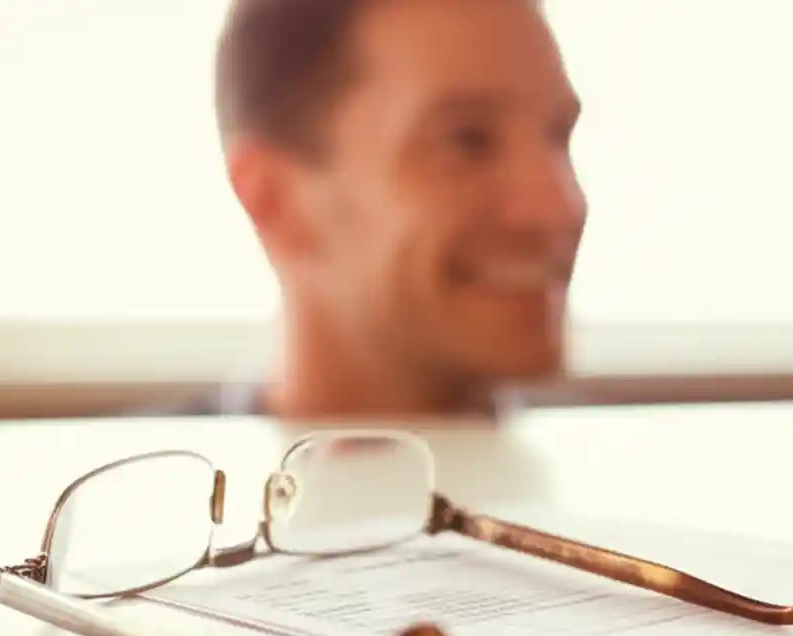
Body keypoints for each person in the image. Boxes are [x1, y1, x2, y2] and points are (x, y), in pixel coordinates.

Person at [183, 0, 586, 419]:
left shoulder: (622, 467)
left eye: (558, 136)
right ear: (275, 199)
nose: (559, 208)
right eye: (467, 141)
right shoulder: (139, 480)